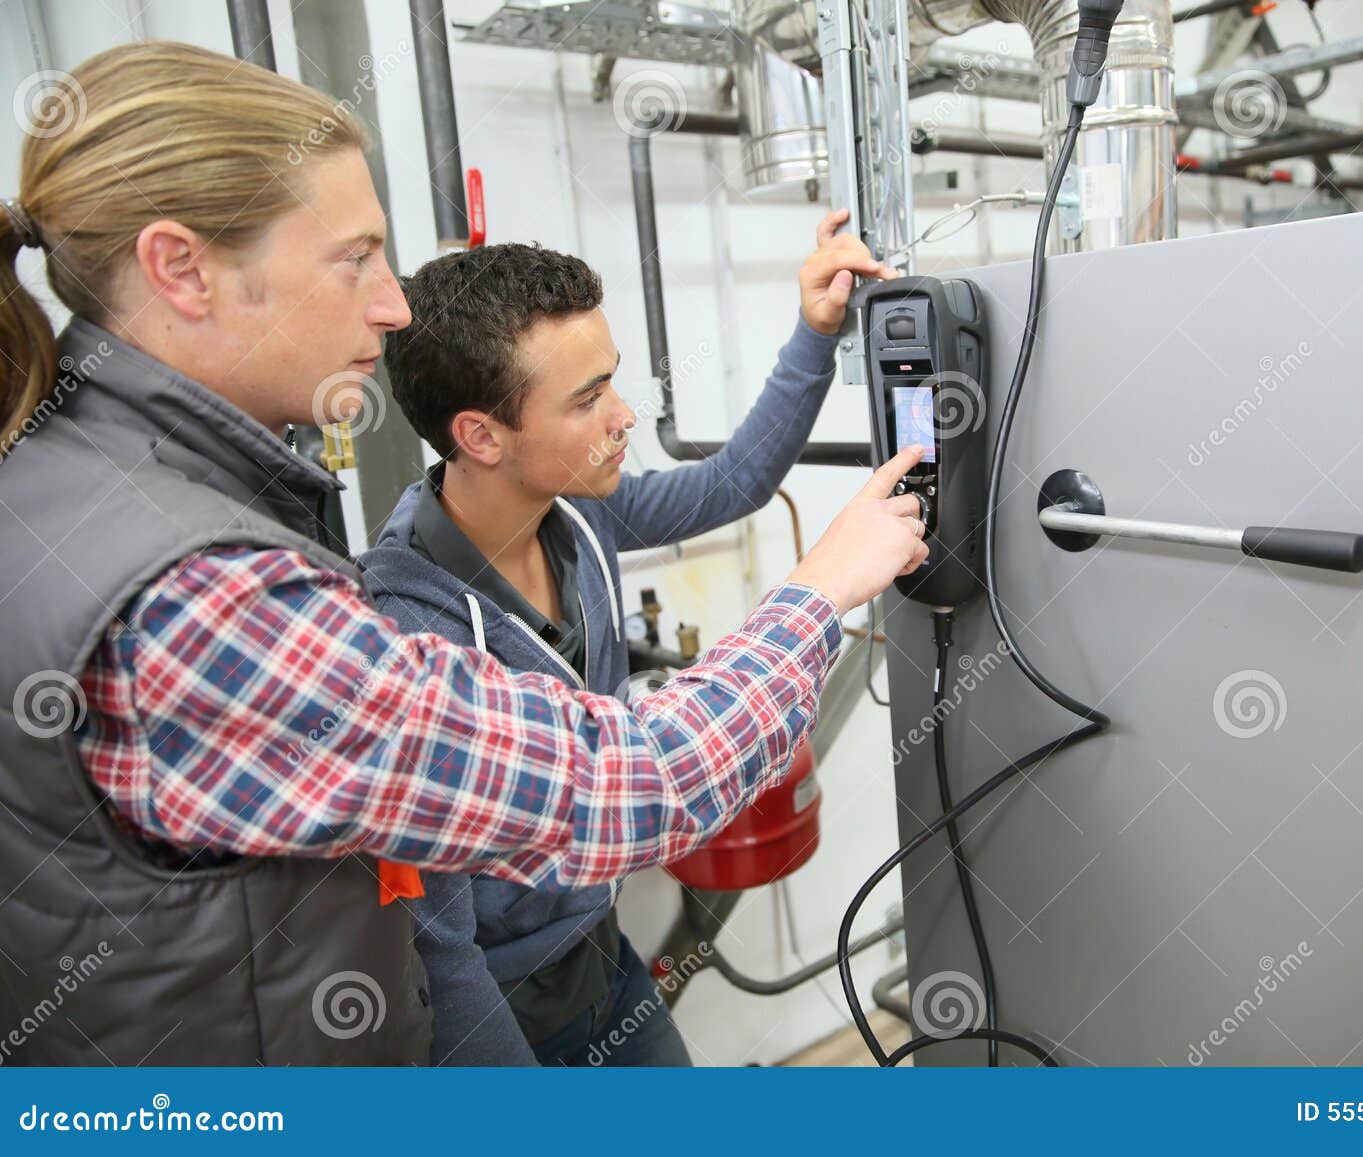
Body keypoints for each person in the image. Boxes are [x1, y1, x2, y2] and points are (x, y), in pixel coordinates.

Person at [0, 40, 928, 1065]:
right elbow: (623, 788)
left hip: (585, 954)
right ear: (180, 266)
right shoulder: (195, 593)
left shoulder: (89, 488)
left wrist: (812, 338)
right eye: (353, 258)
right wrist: (820, 588)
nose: (389, 303)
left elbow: (727, 483)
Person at [362, 223, 896, 1065]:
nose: (624, 417)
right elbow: (441, 945)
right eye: (587, 400)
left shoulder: (576, 509)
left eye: (611, 382)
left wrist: (815, 331)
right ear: (481, 436)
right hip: (494, 1011)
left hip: (602, 961)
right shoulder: (410, 630)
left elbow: (734, 482)